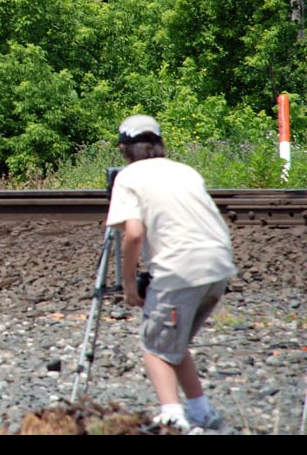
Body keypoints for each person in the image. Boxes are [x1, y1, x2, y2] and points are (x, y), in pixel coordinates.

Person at [105, 114, 237, 433]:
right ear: (159, 144)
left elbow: (133, 234)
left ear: (124, 149)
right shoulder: (186, 171)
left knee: (155, 346)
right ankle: (201, 412)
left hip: (179, 268)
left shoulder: (128, 177)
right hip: (218, 265)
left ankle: (172, 416)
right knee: (172, 343)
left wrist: (128, 285)